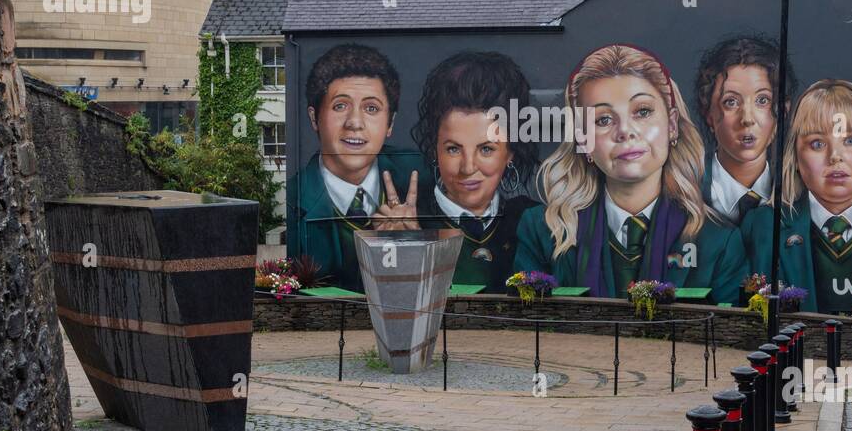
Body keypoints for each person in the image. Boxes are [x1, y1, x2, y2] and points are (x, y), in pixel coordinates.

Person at [514, 44, 747, 304]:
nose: (625, 131)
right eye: (603, 119)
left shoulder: (719, 241)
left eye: (643, 112)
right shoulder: (542, 229)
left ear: (671, 125)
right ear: (583, 139)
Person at [287, 44, 426, 291]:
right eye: (340, 106)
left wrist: (414, 241)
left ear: (390, 123)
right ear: (313, 118)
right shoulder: (293, 198)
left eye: (371, 108)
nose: (355, 123)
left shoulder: (424, 176)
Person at [743, 78, 852, 313]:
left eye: (851, 141)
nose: (835, 156)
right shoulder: (765, 224)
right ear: (796, 158)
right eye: (818, 143)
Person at [410, 51, 539, 293]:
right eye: (453, 149)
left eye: (486, 149)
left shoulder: (532, 221)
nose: (468, 167)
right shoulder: (410, 221)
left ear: (510, 151)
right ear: (435, 149)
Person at [693, 36, 792, 230]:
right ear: (709, 115)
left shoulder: (798, 196)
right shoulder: (683, 192)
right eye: (731, 102)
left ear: (783, 111)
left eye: (762, 100)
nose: (747, 118)